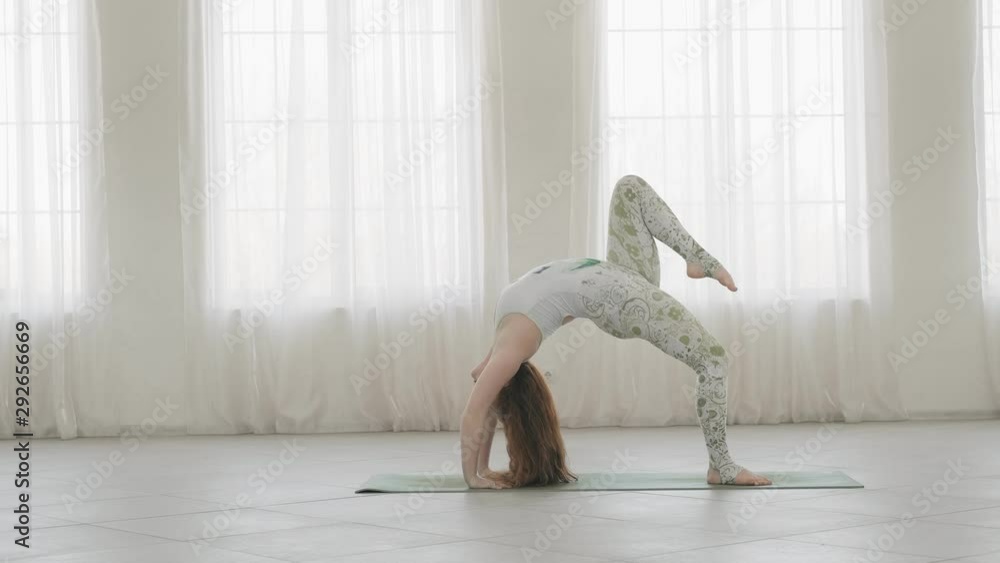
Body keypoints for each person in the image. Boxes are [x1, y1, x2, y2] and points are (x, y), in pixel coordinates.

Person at [460, 174, 772, 489]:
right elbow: (475, 411)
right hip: (620, 301)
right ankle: (721, 466)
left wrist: (482, 468)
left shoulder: (504, 336)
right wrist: (473, 476)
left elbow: (481, 388)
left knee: (629, 188)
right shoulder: (511, 348)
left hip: (623, 274)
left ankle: (696, 257)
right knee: (714, 359)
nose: (481, 380)